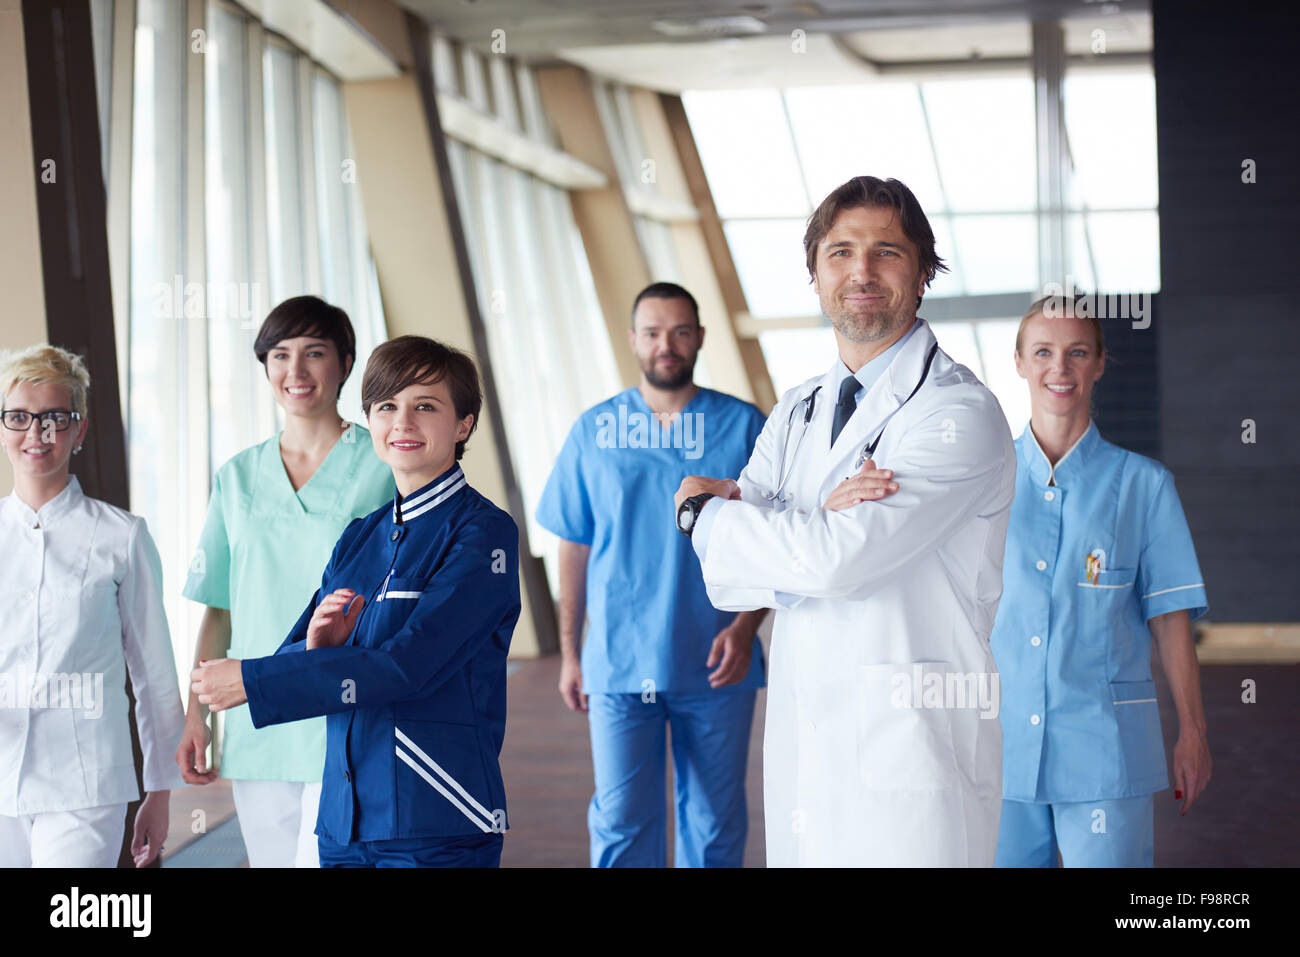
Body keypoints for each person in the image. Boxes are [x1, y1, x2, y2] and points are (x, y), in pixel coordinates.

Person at [675, 175, 1016, 867]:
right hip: (810, 752)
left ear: (922, 273)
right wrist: (804, 527)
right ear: (815, 273)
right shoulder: (797, 409)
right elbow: (735, 585)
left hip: (912, 753)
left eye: (886, 251)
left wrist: (701, 514)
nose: (861, 271)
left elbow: (835, 561)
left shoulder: (957, 415)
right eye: (840, 252)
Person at [190, 336, 520, 868]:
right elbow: (294, 647)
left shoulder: (483, 534)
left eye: (425, 406)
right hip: (344, 818)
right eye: (386, 406)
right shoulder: (358, 537)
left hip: (433, 814)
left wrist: (251, 680)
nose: (402, 422)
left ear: (464, 425)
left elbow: (408, 665)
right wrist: (319, 648)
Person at [536, 281, 768, 868]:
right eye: (654, 332)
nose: (667, 344)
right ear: (635, 340)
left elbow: (778, 540)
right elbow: (574, 545)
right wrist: (570, 652)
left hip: (716, 659)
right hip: (617, 660)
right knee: (619, 821)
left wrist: (745, 628)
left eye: (680, 331)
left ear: (699, 338)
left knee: (714, 822)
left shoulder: (743, 427)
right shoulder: (594, 431)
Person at [992, 296, 1211, 867]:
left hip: (1106, 753)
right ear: (1018, 361)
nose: (1058, 368)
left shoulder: (1145, 486)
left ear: (1099, 364)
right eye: (1043, 351)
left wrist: (1193, 730)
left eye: (1076, 352)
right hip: (998, 750)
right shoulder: (982, 482)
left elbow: (1170, 621)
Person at [175, 296, 394, 868]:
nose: (295, 372)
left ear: (345, 363)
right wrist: (196, 716)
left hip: (346, 713)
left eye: (314, 353)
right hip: (258, 719)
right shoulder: (238, 474)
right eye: (280, 355)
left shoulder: (383, 466)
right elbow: (220, 609)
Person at [0, 344, 184, 867]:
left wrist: (160, 789)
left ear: (78, 431)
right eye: (19, 417)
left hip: (85, 784)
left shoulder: (121, 537)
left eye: (55, 418)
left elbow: (154, 673)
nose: (37, 433)